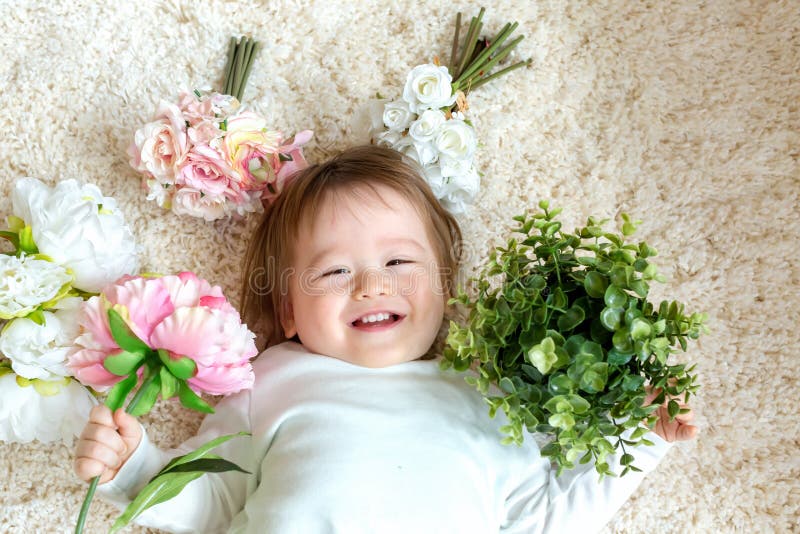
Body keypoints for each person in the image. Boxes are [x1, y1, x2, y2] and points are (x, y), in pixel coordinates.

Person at [74, 145, 697, 533]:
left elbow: (546, 515)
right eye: (334, 272)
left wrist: (642, 436)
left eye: (399, 263)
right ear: (287, 309)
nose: (372, 285)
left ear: (444, 287)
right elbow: (215, 500)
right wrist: (137, 469)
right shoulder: (272, 380)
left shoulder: (484, 391)